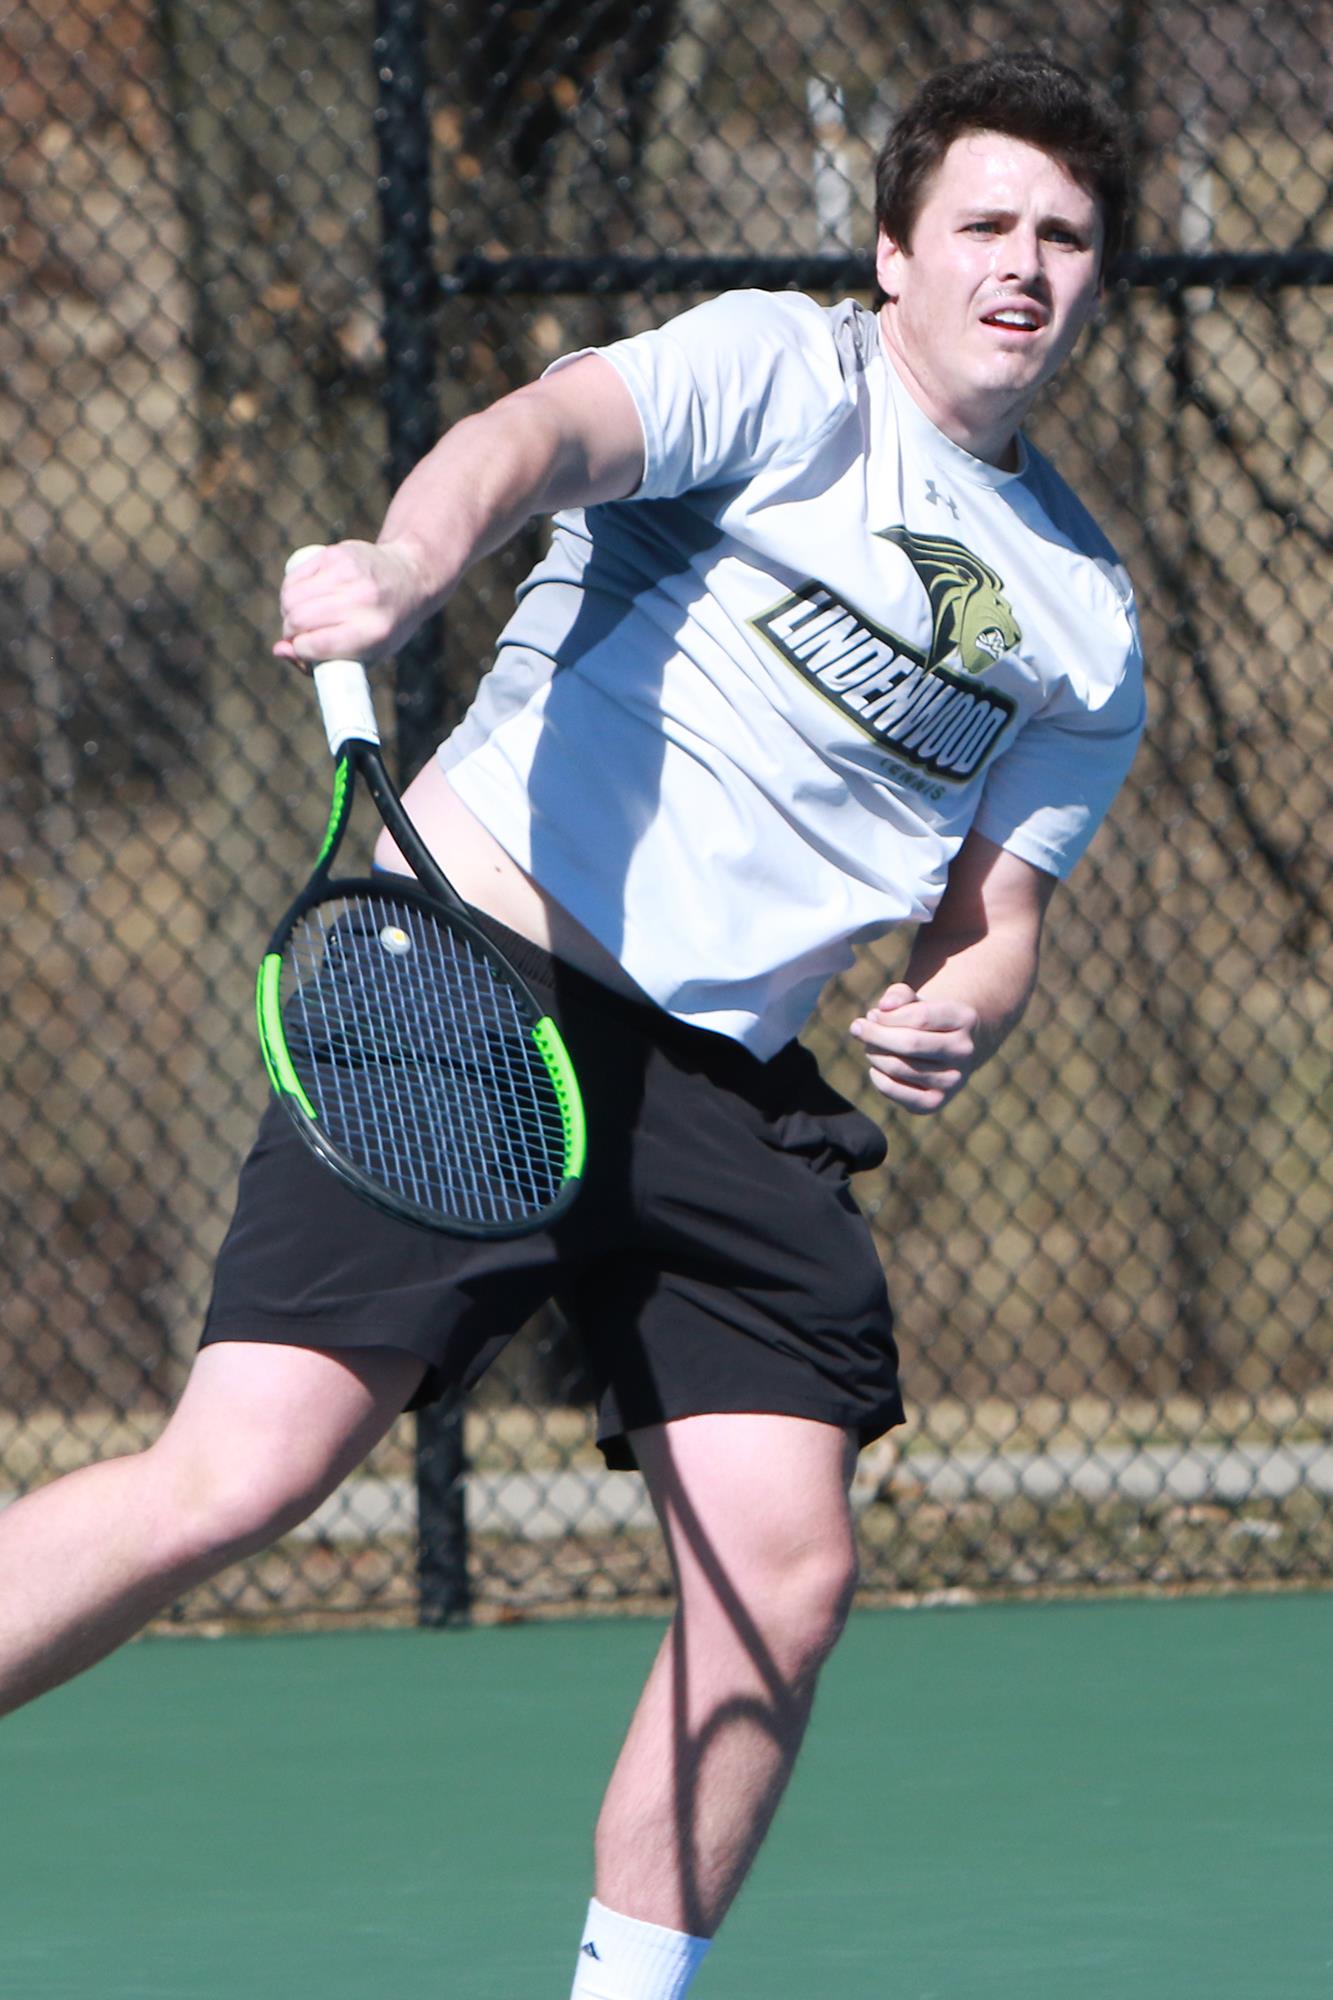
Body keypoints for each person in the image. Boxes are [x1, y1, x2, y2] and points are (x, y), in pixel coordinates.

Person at [1, 50, 1144, 2000]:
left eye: (1063, 234)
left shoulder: (1085, 621)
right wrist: (407, 562)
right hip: (471, 976)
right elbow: (533, 436)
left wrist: (957, 1003)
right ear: (893, 251)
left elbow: (996, 912)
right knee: (242, 1475)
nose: (1021, 265)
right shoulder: (777, 377)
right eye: (983, 224)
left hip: (725, 1086)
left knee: (786, 1572)